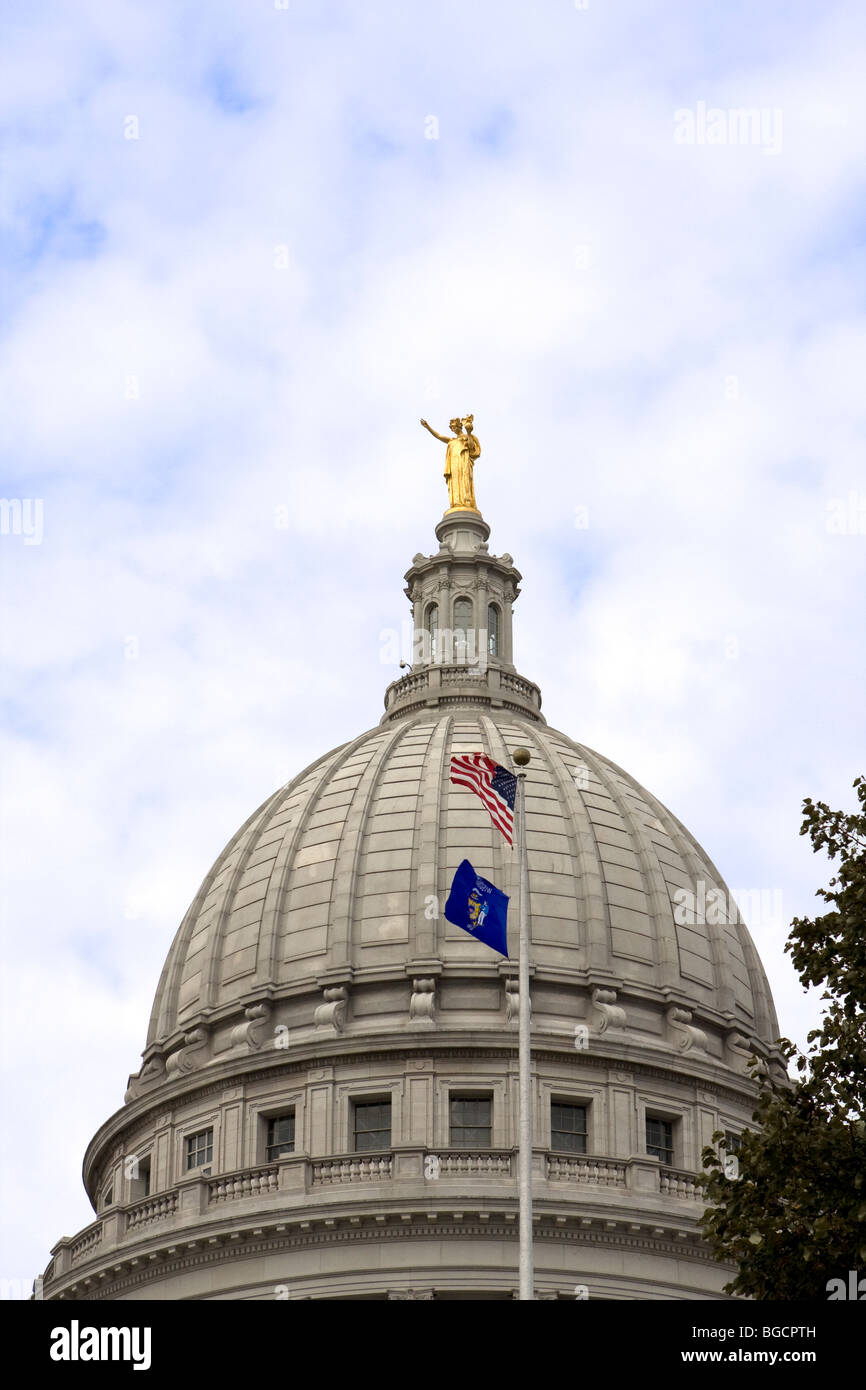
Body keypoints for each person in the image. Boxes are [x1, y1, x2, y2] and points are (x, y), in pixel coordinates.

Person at [420, 415, 480, 511]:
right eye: (452, 428)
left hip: (463, 462)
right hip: (454, 465)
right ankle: (456, 502)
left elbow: (472, 447)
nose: (453, 429)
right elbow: (439, 436)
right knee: (455, 483)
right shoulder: (452, 441)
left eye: (454, 426)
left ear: (460, 426)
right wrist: (428, 427)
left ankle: (466, 502)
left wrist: (469, 432)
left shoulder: (466, 438)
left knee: (465, 481)